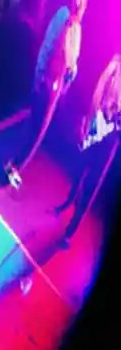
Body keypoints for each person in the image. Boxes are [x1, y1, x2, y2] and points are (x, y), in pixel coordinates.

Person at [7, 0, 87, 189]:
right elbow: (48, 44)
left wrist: (69, 78)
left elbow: (73, 60)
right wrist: (39, 74)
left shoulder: (77, 27)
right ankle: (13, 164)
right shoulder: (63, 15)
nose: (80, 3)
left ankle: (16, 164)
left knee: (39, 127)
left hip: (58, 83)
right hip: (47, 79)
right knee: (35, 124)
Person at [53, 54, 121, 248]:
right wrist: (90, 118)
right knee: (78, 169)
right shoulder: (114, 65)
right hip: (96, 125)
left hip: (110, 140)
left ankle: (70, 230)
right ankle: (67, 203)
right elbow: (98, 93)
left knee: (91, 184)